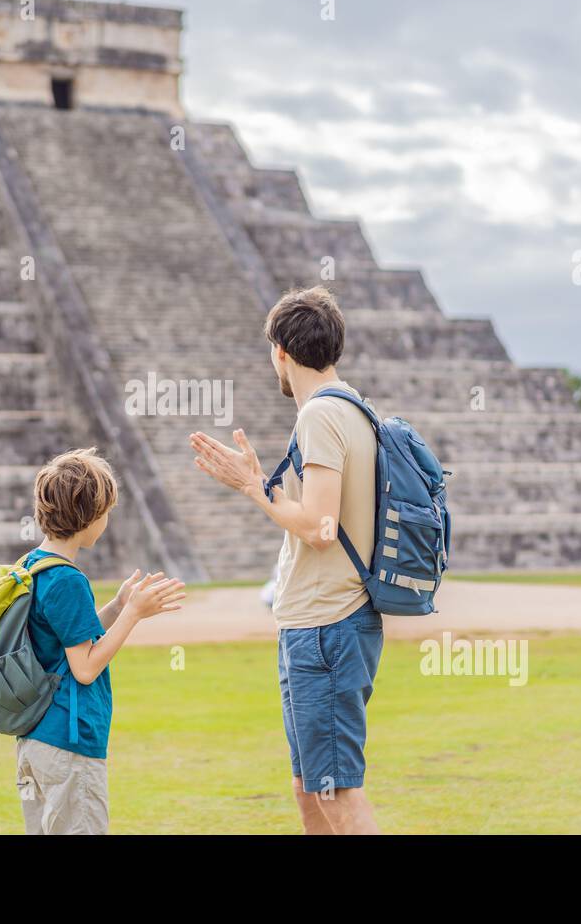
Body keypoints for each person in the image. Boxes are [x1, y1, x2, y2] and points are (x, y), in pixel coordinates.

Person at [190, 286, 383, 835]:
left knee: (336, 793)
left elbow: (321, 527)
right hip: (318, 622)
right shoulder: (354, 407)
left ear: (281, 351)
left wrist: (252, 487)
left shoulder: (321, 416)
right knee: (308, 788)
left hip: (327, 623)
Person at [15, 447, 186, 835]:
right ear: (88, 516)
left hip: (35, 741)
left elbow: (67, 638)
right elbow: (86, 667)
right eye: (106, 511)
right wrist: (133, 615)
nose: (107, 520)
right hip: (69, 743)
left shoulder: (33, 565)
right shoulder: (69, 580)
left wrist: (117, 605)